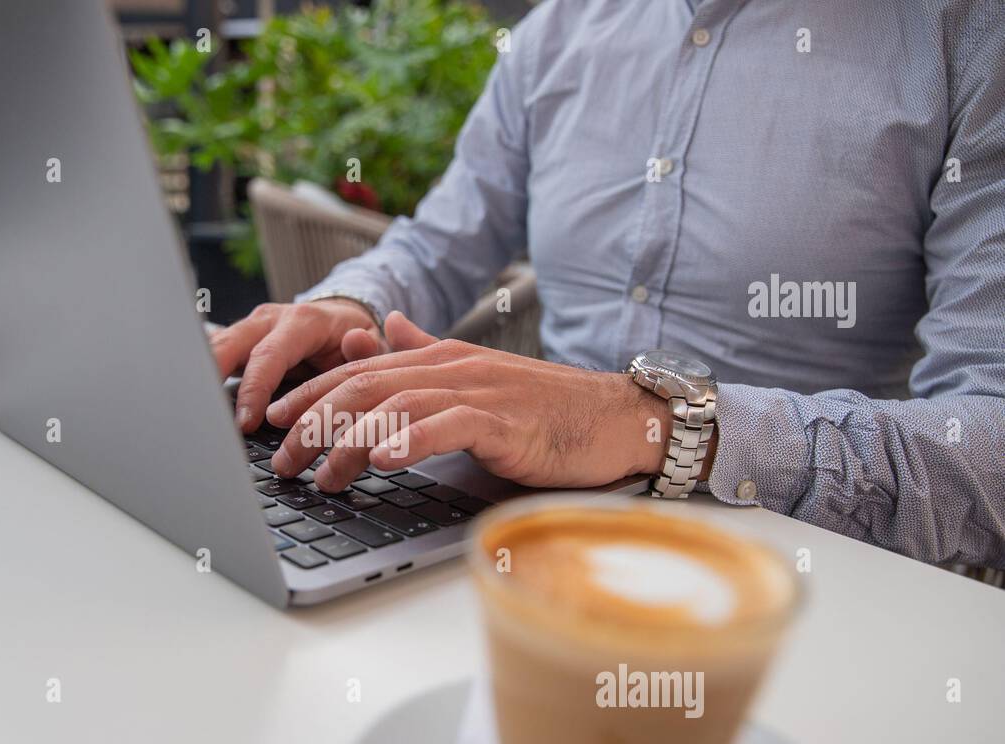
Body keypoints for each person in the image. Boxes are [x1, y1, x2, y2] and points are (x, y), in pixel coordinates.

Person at [210, 0, 1005, 570]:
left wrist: (655, 425)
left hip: (804, 570)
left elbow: (990, 434)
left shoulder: (965, 33)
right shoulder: (559, 28)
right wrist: (347, 303)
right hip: (518, 533)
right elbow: (436, 242)